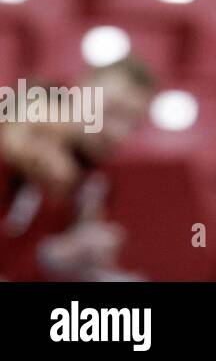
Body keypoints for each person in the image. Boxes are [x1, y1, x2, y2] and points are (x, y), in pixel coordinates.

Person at [0, 58, 154, 281]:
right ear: (80, 92)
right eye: (112, 110)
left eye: (134, 123)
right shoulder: (22, 146)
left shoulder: (96, 182)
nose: (117, 132)